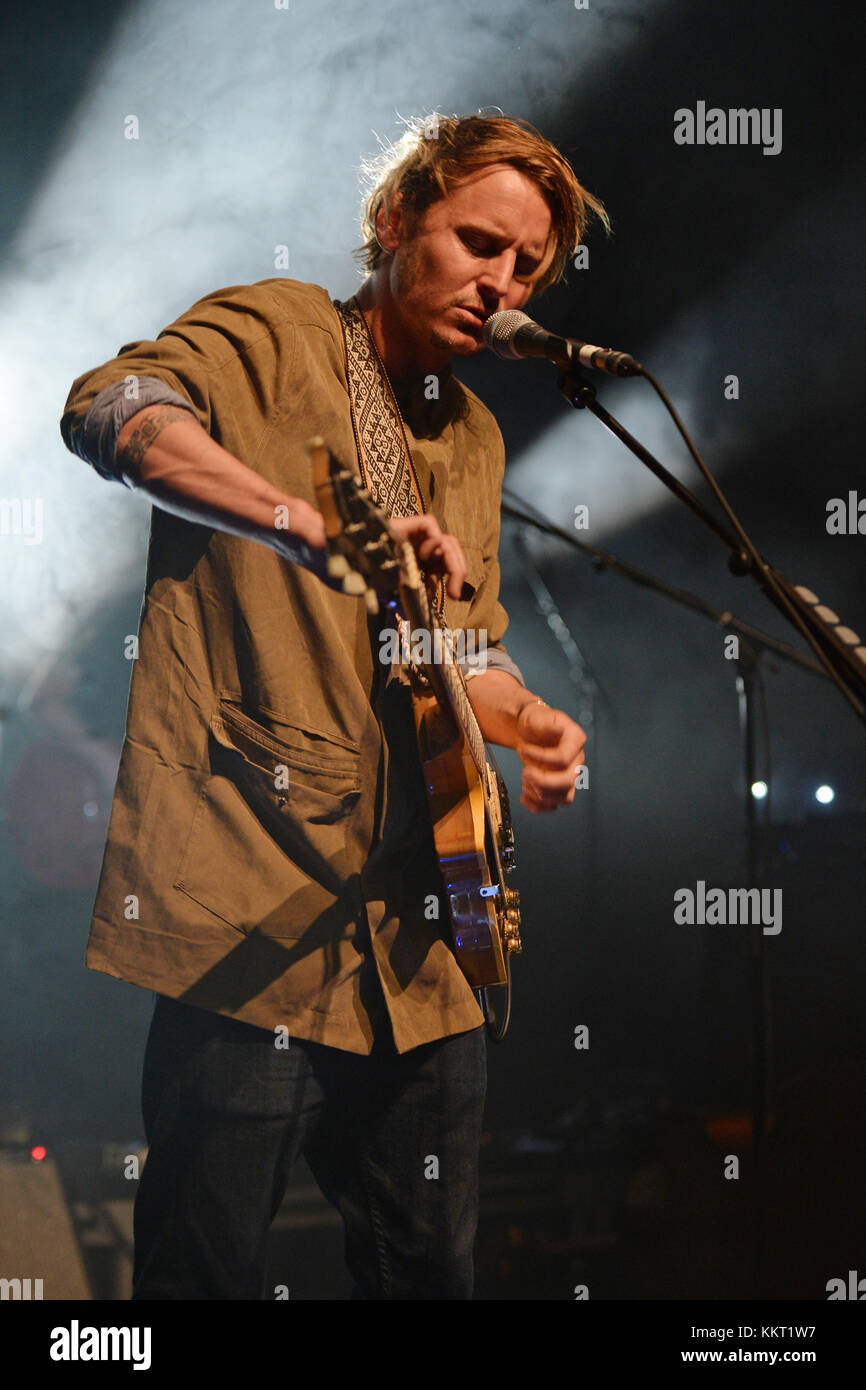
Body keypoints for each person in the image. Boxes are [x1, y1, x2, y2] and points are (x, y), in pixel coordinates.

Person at [60, 113, 606, 1300]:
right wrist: (295, 520)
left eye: (525, 266)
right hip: (255, 902)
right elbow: (111, 408)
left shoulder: (472, 438)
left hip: (423, 937)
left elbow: (465, 651)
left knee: (429, 1273)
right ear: (396, 216)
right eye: (477, 241)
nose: (501, 282)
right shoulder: (272, 328)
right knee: (202, 1270)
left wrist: (528, 726)